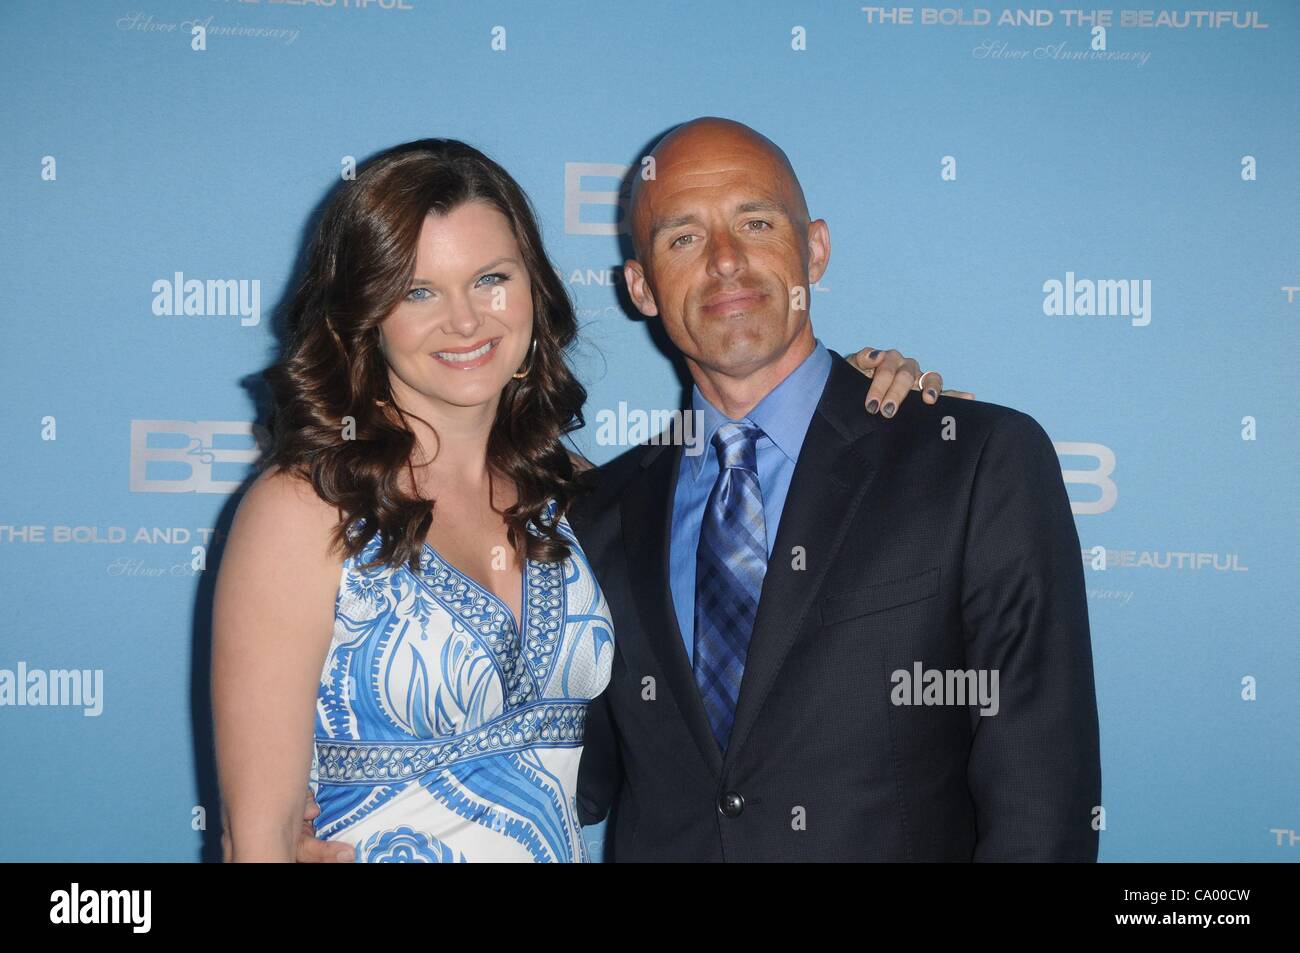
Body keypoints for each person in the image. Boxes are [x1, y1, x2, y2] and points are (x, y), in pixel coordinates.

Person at [213, 137, 952, 862]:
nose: (466, 320)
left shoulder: (568, 499)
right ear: (366, 316)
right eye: (418, 290)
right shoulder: (304, 510)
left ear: (533, 287)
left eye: (490, 278)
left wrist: (850, 405)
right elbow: (263, 839)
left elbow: (627, 762)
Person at [570, 117, 1101, 861]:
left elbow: (1042, 803)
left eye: (755, 222)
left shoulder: (976, 462)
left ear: (814, 249)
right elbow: (564, 776)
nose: (725, 261)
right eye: (682, 237)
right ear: (641, 287)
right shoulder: (595, 514)